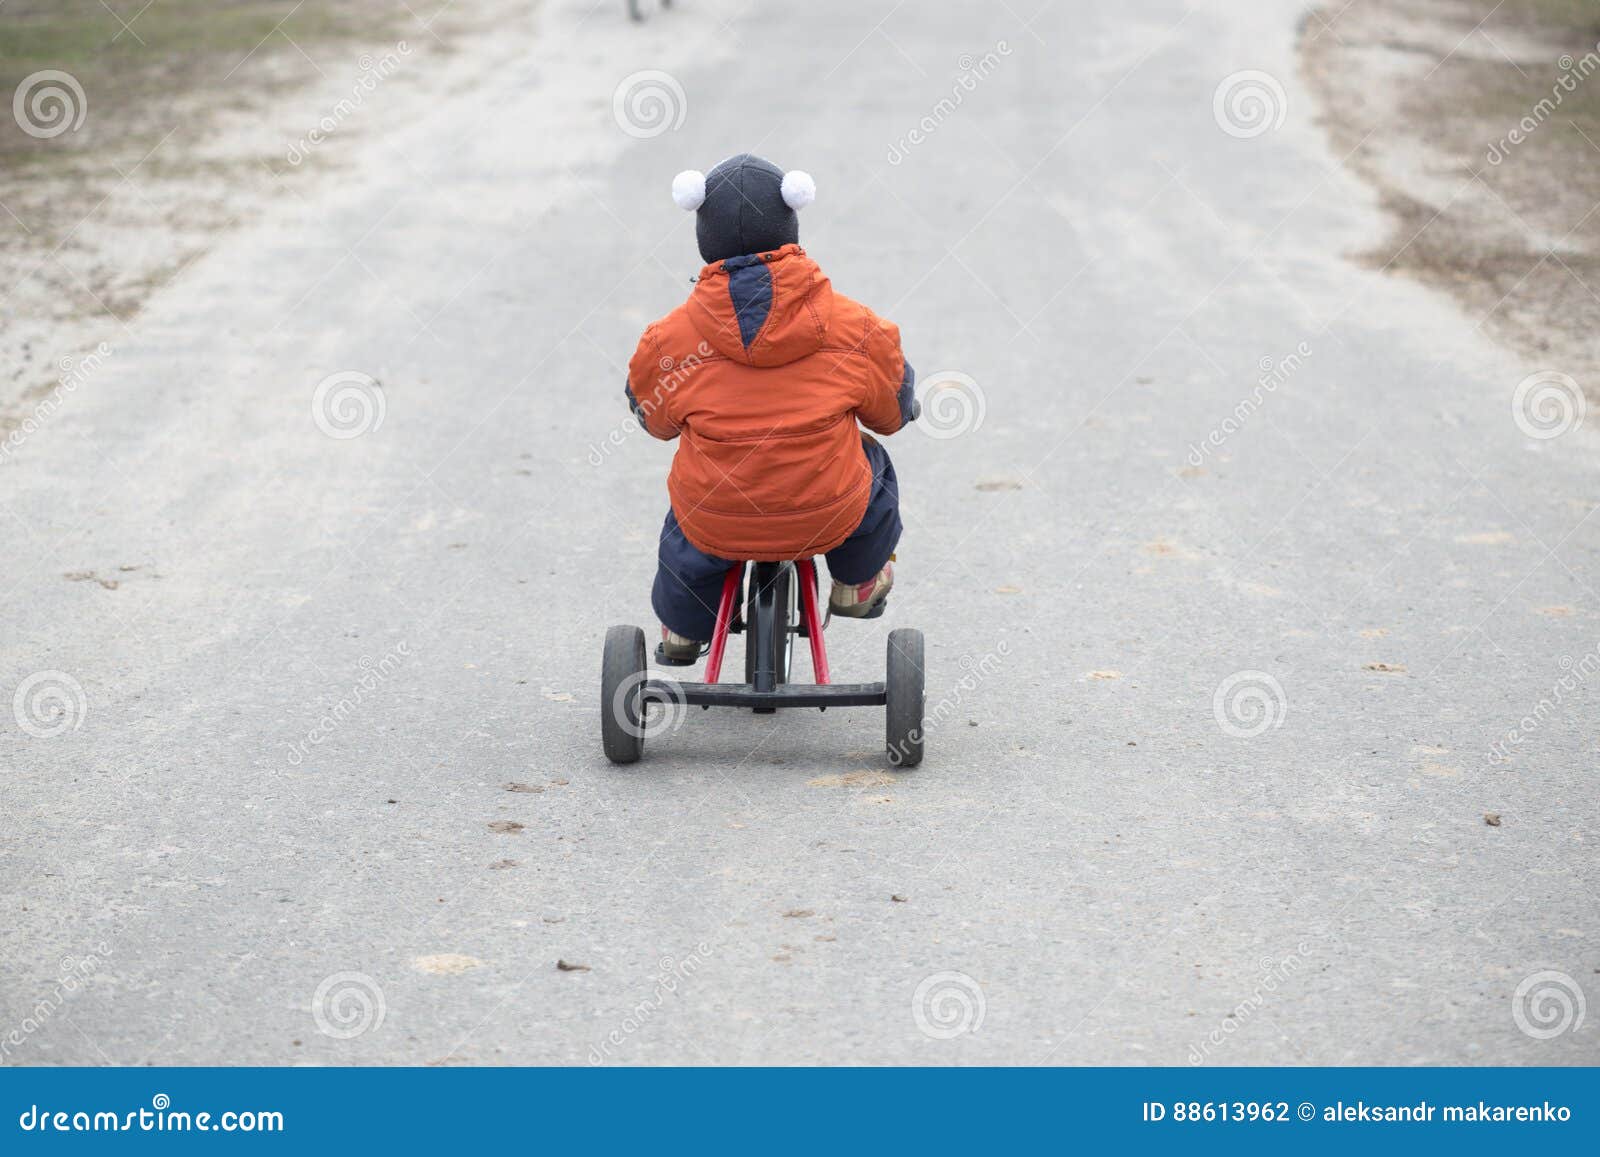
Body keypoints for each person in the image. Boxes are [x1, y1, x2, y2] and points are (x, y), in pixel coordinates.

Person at [624, 153, 917, 662]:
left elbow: (654, 421)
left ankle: (683, 629)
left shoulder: (669, 339)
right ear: (791, 225)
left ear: (703, 234)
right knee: (872, 464)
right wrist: (902, 403)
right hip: (826, 513)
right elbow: (890, 414)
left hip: (719, 517)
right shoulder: (855, 327)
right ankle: (855, 583)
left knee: (690, 507)